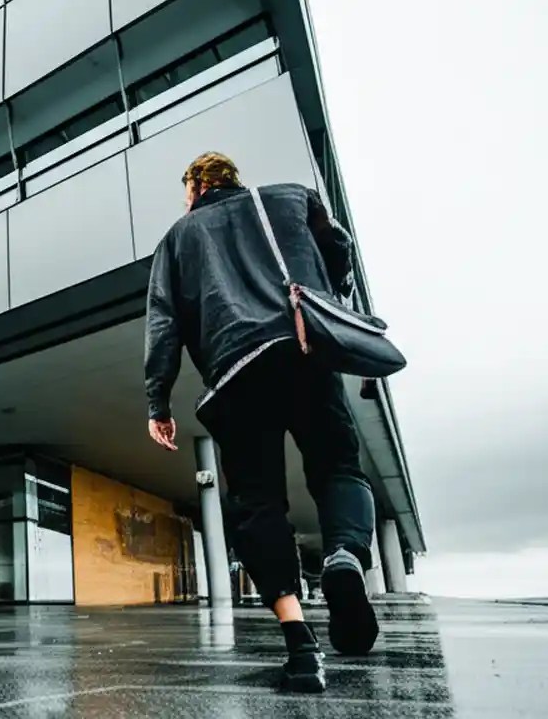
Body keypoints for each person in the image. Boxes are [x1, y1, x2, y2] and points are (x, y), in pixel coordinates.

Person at [143, 152, 379, 693]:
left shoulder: (177, 239)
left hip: (237, 372)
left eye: (185, 192)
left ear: (199, 185)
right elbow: (338, 247)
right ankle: (345, 554)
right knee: (339, 465)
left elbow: (163, 324)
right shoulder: (291, 198)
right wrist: (330, 294)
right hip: (304, 350)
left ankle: (300, 647)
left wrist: (158, 403)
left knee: (257, 502)